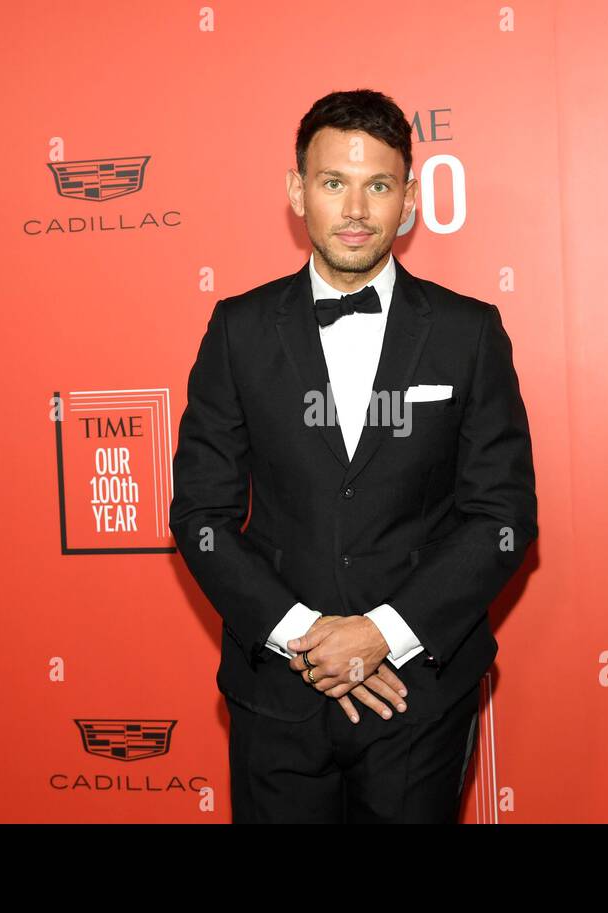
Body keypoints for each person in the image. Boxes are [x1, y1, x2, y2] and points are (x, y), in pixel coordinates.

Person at [169, 88, 537, 823]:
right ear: (297, 191)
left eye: (379, 185)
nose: (357, 209)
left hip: (417, 694)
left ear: (409, 199)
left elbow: (502, 516)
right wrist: (308, 640)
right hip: (278, 692)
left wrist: (381, 634)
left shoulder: (469, 333)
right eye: (334, 182)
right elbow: (201, 514)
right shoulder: (238, 331)